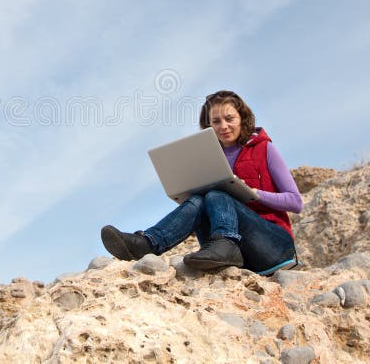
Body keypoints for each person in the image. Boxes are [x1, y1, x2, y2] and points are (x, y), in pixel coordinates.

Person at [101, 90, 302, 275]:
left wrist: (254, 192)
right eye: (216, 121)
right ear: (209, 126)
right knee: (199, 198)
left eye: (229, 118)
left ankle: (225, 243)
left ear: (242, 118)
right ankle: (148, 244)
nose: (223, 126)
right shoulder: (207, 157)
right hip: (233, 251)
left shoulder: (264, 149)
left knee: (217, 194)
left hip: (273, 245)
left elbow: (295, 202)